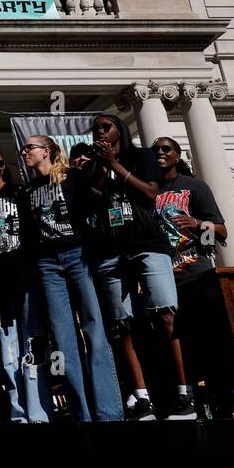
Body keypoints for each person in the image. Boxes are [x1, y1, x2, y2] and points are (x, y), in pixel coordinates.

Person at [77, 114, 194, 419]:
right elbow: (91, 201)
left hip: (146, 244)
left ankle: (184, 394)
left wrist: (116, 164)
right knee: (123, 323)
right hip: (112, 250)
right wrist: (102, 167)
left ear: (120, 130)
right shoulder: (93, 165)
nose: (100, 132)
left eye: (106, 127)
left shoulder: (141, 156)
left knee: (167, 314)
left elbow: (151, 193)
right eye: (96, 129)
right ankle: (141, 396)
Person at [20, 135, 122, 422]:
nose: (25, 152)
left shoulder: (72, 178)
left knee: (94, 329)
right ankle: (82, 413)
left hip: (78, 257)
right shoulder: (27, 191)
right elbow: (29, 236)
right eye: (24, 148)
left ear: (48, 151)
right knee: (63, 340)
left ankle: (109, 412)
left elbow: (97, 204)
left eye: (30, 148)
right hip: (48, 266)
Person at [152, 137, 234, 417]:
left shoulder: (195, 187)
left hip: (198, 275)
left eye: (166, 148)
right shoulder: (150, 191)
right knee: (182, 345)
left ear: (178, 155)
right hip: (168, 280)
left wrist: (196, 223)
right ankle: (192, 403)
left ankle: (228, 402)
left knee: (213, 343)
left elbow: (222, 231)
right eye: (155, 150)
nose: (160, 153)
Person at [0, 147, 50, 423]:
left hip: (24, 275)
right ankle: (18, 412)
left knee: (32, 344)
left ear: (4, 166)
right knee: (7, 347)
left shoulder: (20, 194)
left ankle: (39, 411)